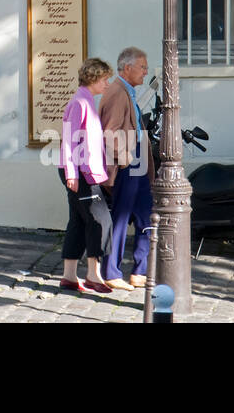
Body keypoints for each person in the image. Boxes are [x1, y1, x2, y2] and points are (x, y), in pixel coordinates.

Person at [57, 57, 114, 294]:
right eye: (104, 79)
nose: (107, 84)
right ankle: (93, 274)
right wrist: (72, 173)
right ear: (93, 78)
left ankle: (69, 276)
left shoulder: (86, 101)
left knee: (79, 221)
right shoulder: (80, 103)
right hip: (80, 173)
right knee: (101, 220)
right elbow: (69, 142)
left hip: (84, 172)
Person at [100, 46, 154, 291]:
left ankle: (140, 271)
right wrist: (122, 156)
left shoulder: (128, 91)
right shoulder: (117, 92)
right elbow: (109, 131)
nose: (145, 72)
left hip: (138, 160)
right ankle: (110, 271)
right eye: (142, 67)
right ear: (127, 67)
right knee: (121, 217)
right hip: (128, 162)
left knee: (147, 213)